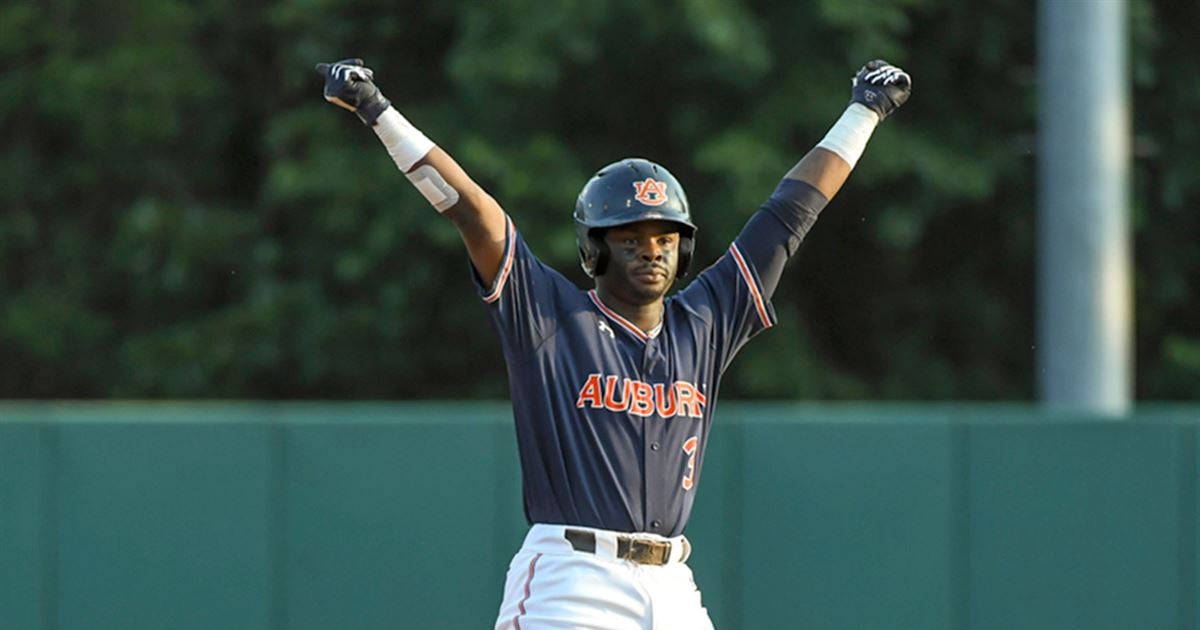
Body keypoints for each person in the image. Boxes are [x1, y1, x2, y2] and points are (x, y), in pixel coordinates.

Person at [316, 57, 910, 630]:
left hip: (673, 584)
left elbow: (790, 214)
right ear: (594, 251)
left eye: (665, 237)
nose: (652, 249)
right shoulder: (550, 317)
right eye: (630, 238)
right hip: (574, 580)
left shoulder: (703, 321)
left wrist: (864, 111)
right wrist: (376, 109)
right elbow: (471, 211)